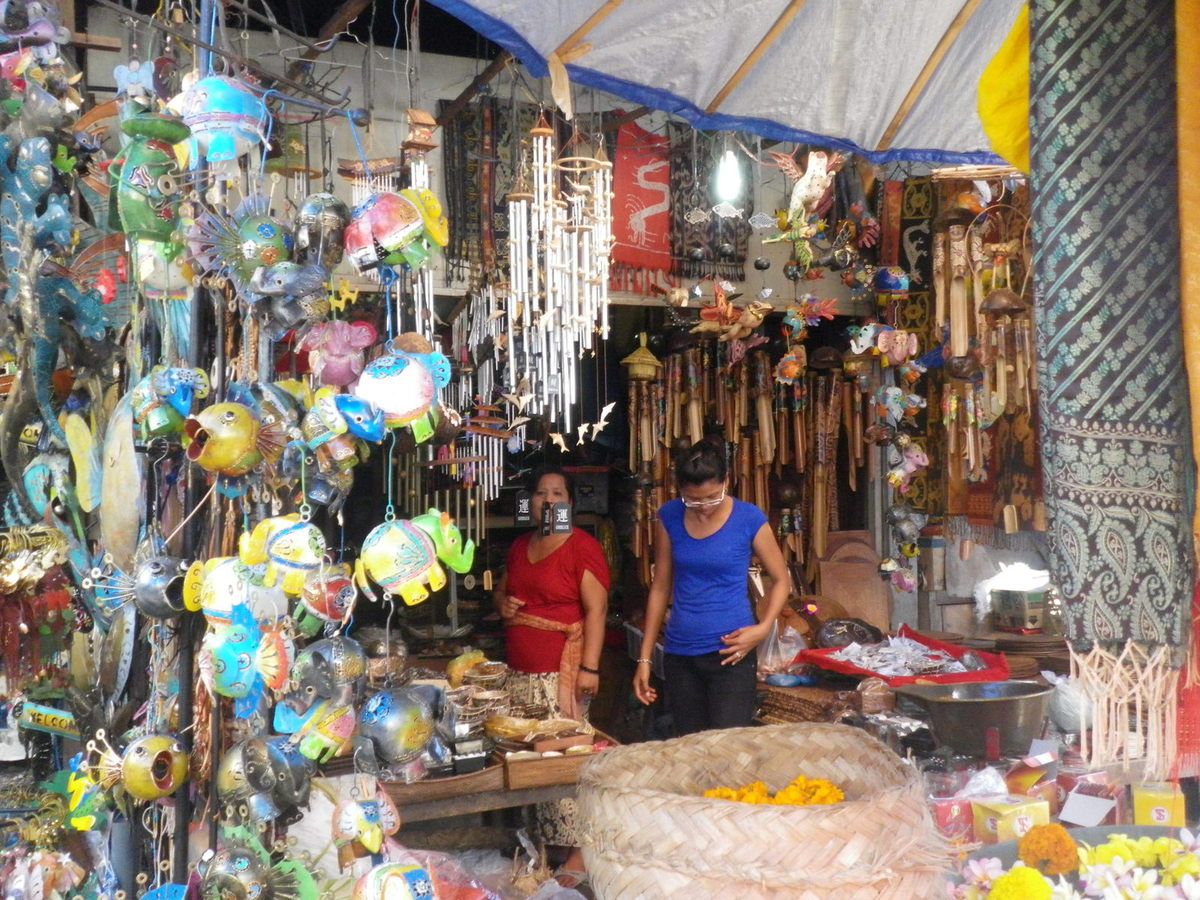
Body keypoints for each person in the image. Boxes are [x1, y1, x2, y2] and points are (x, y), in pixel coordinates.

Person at [493, 465, 610, 886]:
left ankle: (581, 852)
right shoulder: (521, 545)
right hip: (520, 676)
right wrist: (502, 603)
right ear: (531, 501)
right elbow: (502, 590)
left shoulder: (581, 547)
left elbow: (596, 610)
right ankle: (549, 847)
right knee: (533, 762)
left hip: (561, 673)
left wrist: (590, 668)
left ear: (570, 503)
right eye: (541, 493)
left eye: (557, 493)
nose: (548, 501)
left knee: (567, 760)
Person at [633, 439, 790, 734]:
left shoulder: (749, 518)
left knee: (727, 747)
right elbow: (660, 588)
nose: (704, 507)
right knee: (691, 746)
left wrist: (762, 628)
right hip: (680, 655)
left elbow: (782, 581)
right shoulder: (669, 516)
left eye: (712, 497)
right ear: (680, 490)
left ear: (726, 481)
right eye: (693, 500)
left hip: (732, 654)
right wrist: (645, 658)